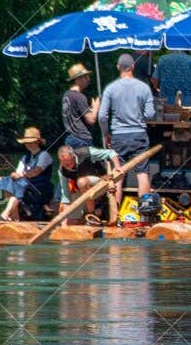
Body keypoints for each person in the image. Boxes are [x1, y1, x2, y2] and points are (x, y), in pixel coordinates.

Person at [99, 53, 158, 207]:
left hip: (118, 136)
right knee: (142, 172)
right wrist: (140, 116)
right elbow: (150, 114)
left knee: (118, 174)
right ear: (133, 66)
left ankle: (115, 213)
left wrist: (106, 134)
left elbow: (102, 116)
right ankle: (145, 211)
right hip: (139, 134)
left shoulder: (110, 89)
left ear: (118, 67)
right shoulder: (144, 87)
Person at [57, 143, 126, 221]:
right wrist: (64, 217)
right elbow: (65, 196)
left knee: (81, 182)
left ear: (73, 157)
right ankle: (92, 214)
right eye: (64, 163)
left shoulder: (87, 152)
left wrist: (117, 166)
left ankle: (91, 213)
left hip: (102, 179)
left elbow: (111, 152)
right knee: (71, 220)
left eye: (69, 163)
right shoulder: (62, 170)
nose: (67, 166)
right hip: (85, 189)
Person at [0, 127, 55, 221]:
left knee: (20, 183)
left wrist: (21, 175)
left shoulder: (44, 155)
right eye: (26, 142)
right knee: (6, 181)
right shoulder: (25, 157)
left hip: (41, 187)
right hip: (26, 184)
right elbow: (18, 172)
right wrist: (14, 175)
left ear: (37, 142)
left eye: (30, 142)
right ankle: (14, 214)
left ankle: (8, 213)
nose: (28, 144)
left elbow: (36, 171)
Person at [60, 63, 98, 150]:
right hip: (81, 139)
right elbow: (91, 120)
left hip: (70, 138)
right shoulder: (79, 97)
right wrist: (95, 107)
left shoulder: (66, 95)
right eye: (85, 77)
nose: (88, 79)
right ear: (77, 79)